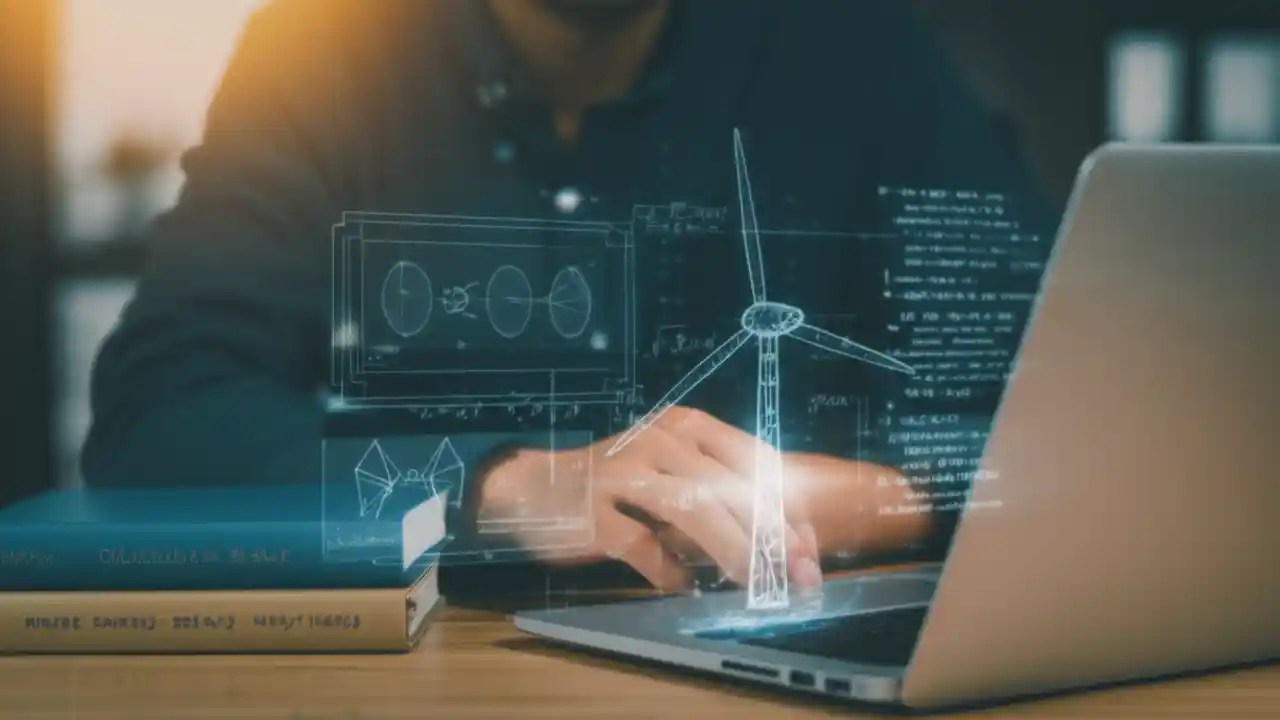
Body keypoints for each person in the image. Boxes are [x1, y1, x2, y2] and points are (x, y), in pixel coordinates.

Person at [83, 0, 1043, 594]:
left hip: (775, 633)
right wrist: (495, 487)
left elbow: (1052, 404)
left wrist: (820, 505)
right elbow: (161, 416)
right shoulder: (323, 46)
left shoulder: (855, 45)